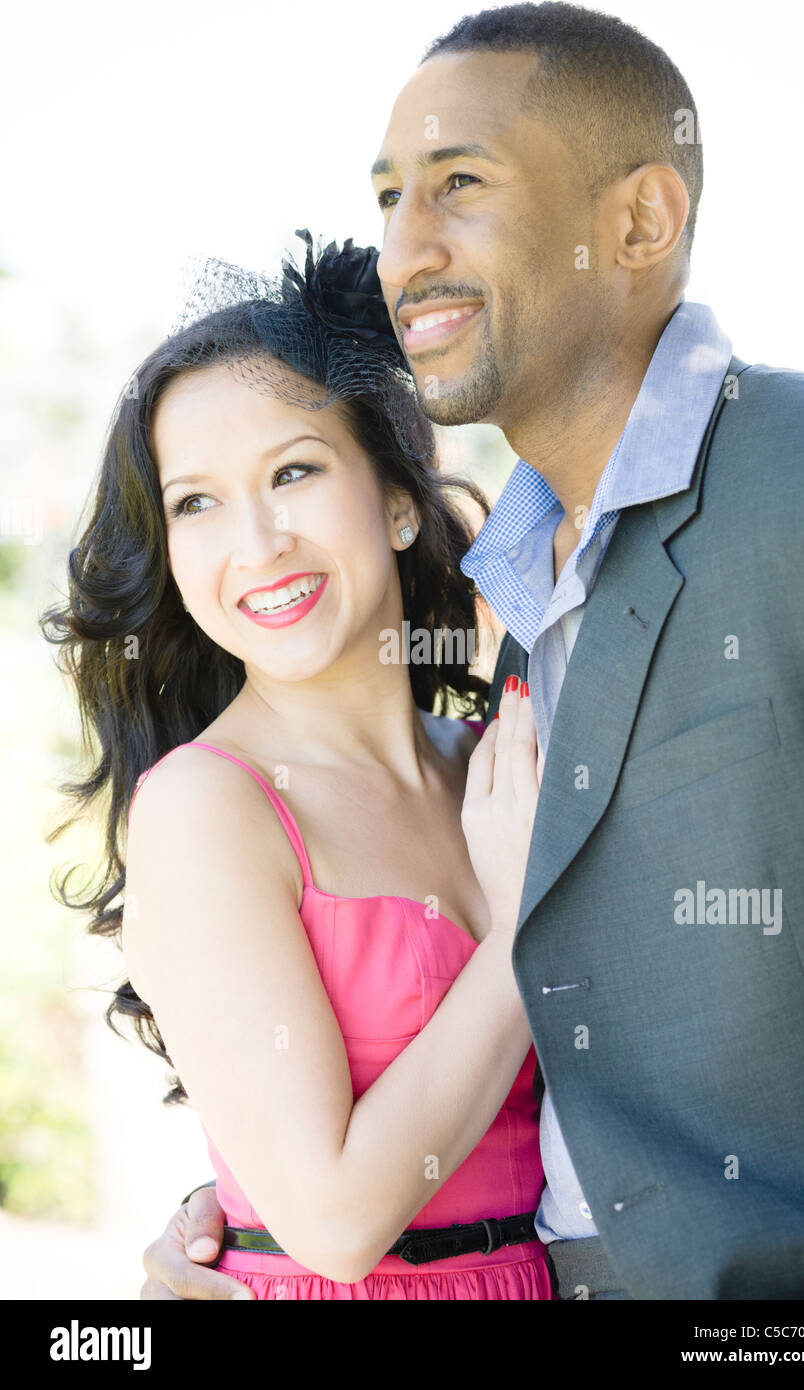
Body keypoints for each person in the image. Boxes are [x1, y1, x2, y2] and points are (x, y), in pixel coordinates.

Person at [143, 2, 804, 1301]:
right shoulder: (513, 632)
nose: (401, 249)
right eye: (386, 199)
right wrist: (238, 1223)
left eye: (457, 185)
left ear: (637, 222)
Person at [42, 232, 556, 1299]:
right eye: (197, 501)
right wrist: (514, 941)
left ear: (398, 497)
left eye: (293, 471)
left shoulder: (495, 767)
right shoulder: (204, 807)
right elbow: (330, 1221)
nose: (258, 541)